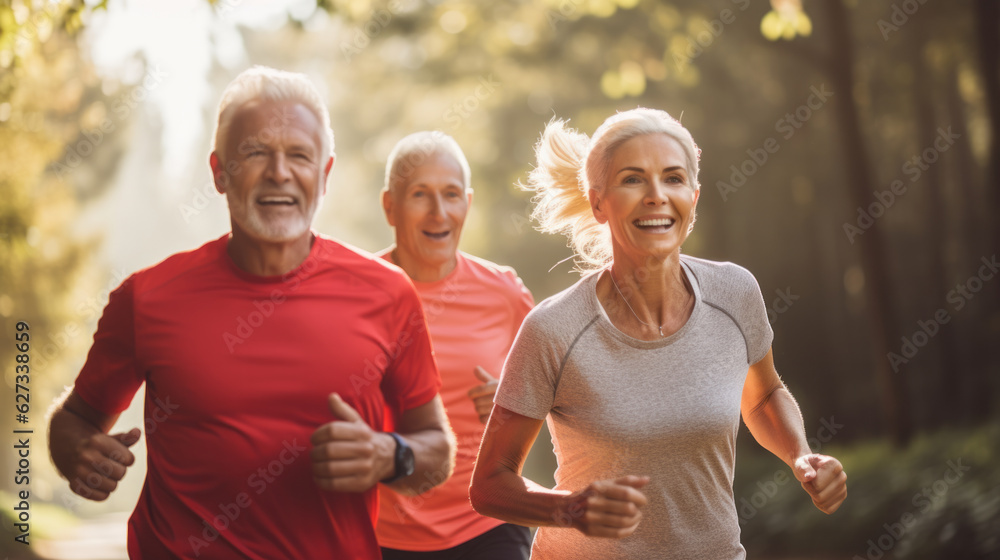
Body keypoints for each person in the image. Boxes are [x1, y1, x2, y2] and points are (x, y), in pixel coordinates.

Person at [46, 66, 454, 559]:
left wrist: (392, 455)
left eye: (299, 155)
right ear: (220, 172)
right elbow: (75, 419)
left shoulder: (388, 295)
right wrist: (76, 452)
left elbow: (436, 447)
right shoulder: (146, 297)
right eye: (256, 152)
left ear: (324, 174)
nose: (279, 172)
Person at [470, 108, 848, 559]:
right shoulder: (554, 328)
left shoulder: (735, 293)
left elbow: (764, 396)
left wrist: (802, 456)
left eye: (673, 178)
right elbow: (489, 483)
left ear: (694, 196)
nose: (656, 196)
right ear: (598, 203)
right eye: (633, 179)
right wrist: (568, 509)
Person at [375, 131, 535, 559]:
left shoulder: (505, 293)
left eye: (450, 194)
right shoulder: (355, 293)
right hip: (383, 531)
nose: (438, 212)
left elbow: (560, 395)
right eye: (420, 195)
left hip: (488, 520)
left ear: (467, 202)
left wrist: (514, 399)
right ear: (390, 206)